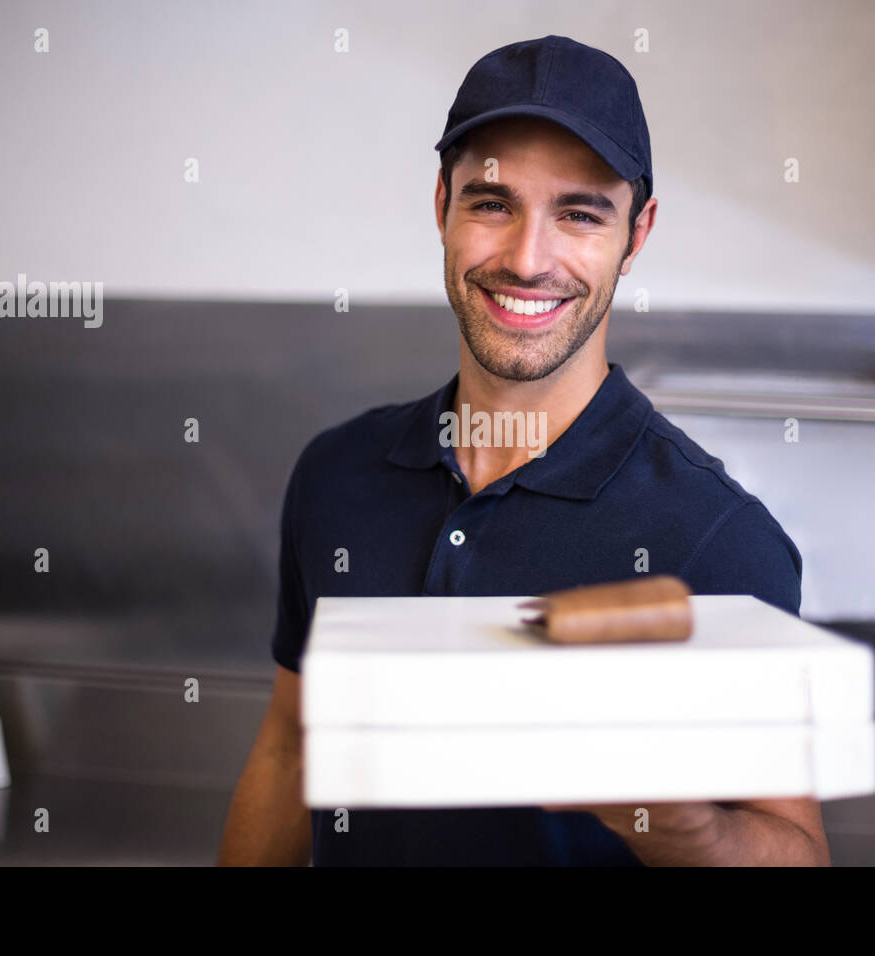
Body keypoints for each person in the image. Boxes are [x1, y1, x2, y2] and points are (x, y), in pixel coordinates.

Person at [217, 34, 829, 866]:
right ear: (442, 206)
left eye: (579, 213)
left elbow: (797, 850)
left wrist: (685, 823)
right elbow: (292, 747)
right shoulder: (338, 475)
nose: (527, 260)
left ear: (636, 233)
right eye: (493, 204)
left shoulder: (714, 538)